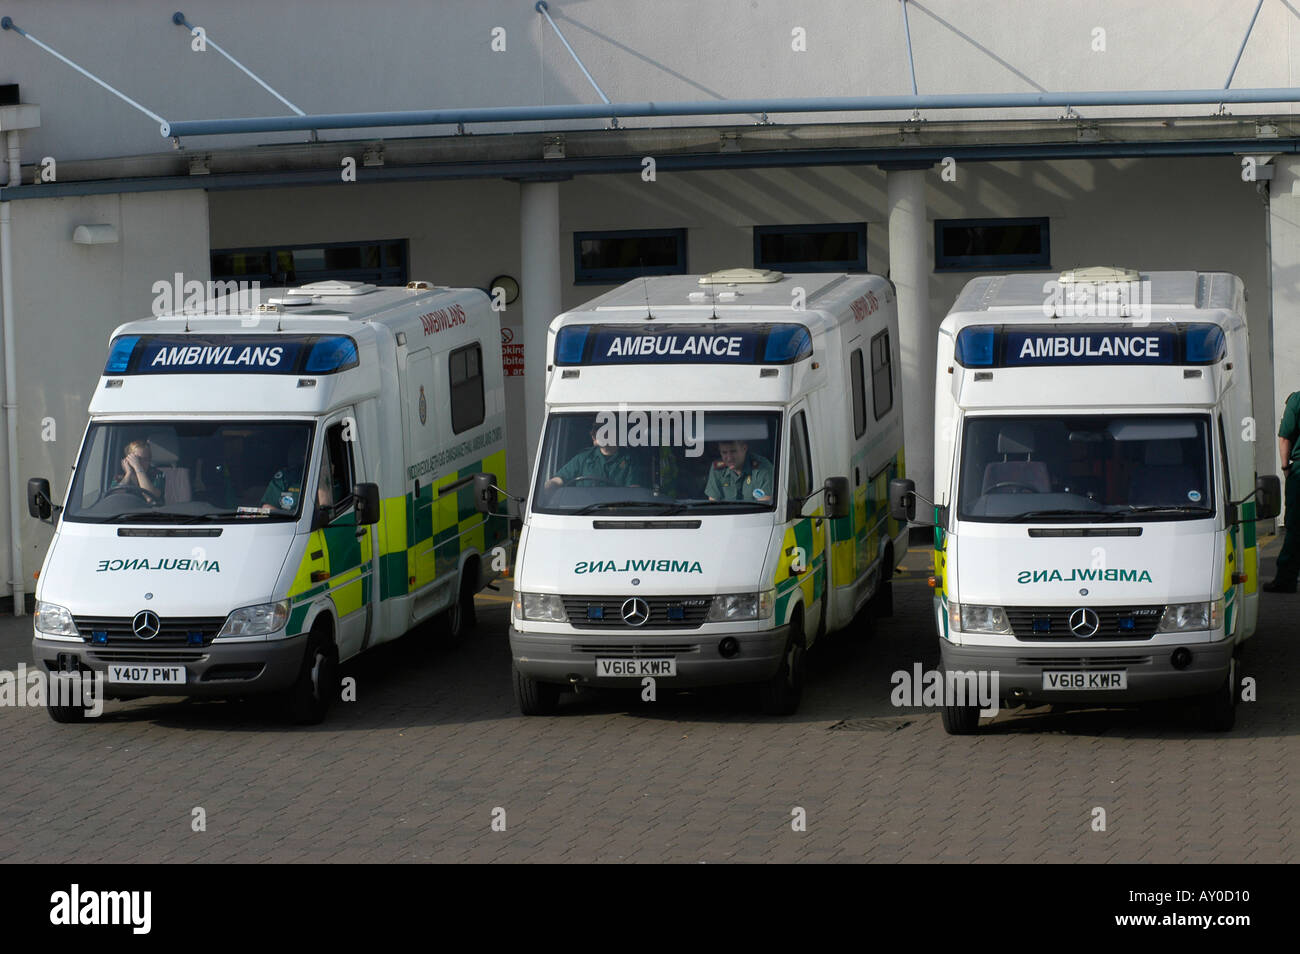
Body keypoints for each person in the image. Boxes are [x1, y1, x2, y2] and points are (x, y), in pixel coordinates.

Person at [1264, 389, 1300, 592]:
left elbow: (1285, 437)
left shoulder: (1297, 400)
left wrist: (1286, 467)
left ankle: (1286, 579)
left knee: (1296, 527)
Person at [546, 424, 649, 489]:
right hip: (582, 512)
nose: (593, 433)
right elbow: (558, 480)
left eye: (600, 430)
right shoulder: (583, 458)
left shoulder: (630, 459)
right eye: (594, 431)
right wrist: (548, 488)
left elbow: (634, 490)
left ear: (615, 433)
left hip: (618, 513)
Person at [705, 440, 774, 503]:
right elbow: (713, 505)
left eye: (733, 451)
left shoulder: (763, 468)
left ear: (744, 448)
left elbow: (764, 506)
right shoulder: (717, 469)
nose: (729, 458)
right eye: (724, 452)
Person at [112, 438, 166, 505]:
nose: (141, 463)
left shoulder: (157, 475)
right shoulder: (119, 477)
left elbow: (150, 497)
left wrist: (138, 467)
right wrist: (128, 474)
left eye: (145, 459)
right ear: (127, 459)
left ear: (149, 461)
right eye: (137, 459)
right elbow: (113, 499)